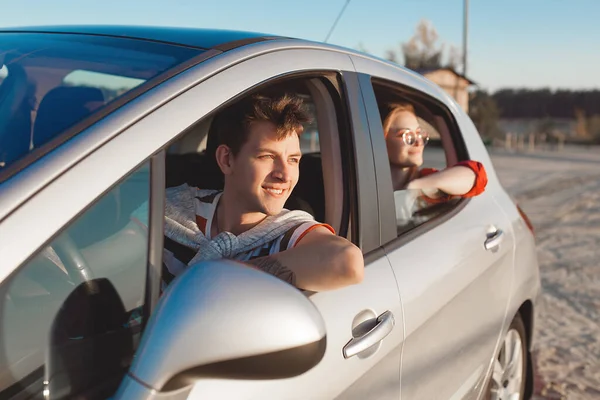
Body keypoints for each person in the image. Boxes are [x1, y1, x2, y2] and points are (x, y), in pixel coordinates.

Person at [126, 92, 364, 292]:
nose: (284, 174)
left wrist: (221, 278)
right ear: (227, 159)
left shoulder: (287, 233)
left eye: (293, 160)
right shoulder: (177, 208)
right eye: (268, 156)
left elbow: (347, 262)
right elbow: (106, 259)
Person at [380, 101, 487, 200]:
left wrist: (416, 186)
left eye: (418, 133)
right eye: (406, 135)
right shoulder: (366, 184)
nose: (419, 142)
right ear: (380, 140)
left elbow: (478, 176)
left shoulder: (427, 180)